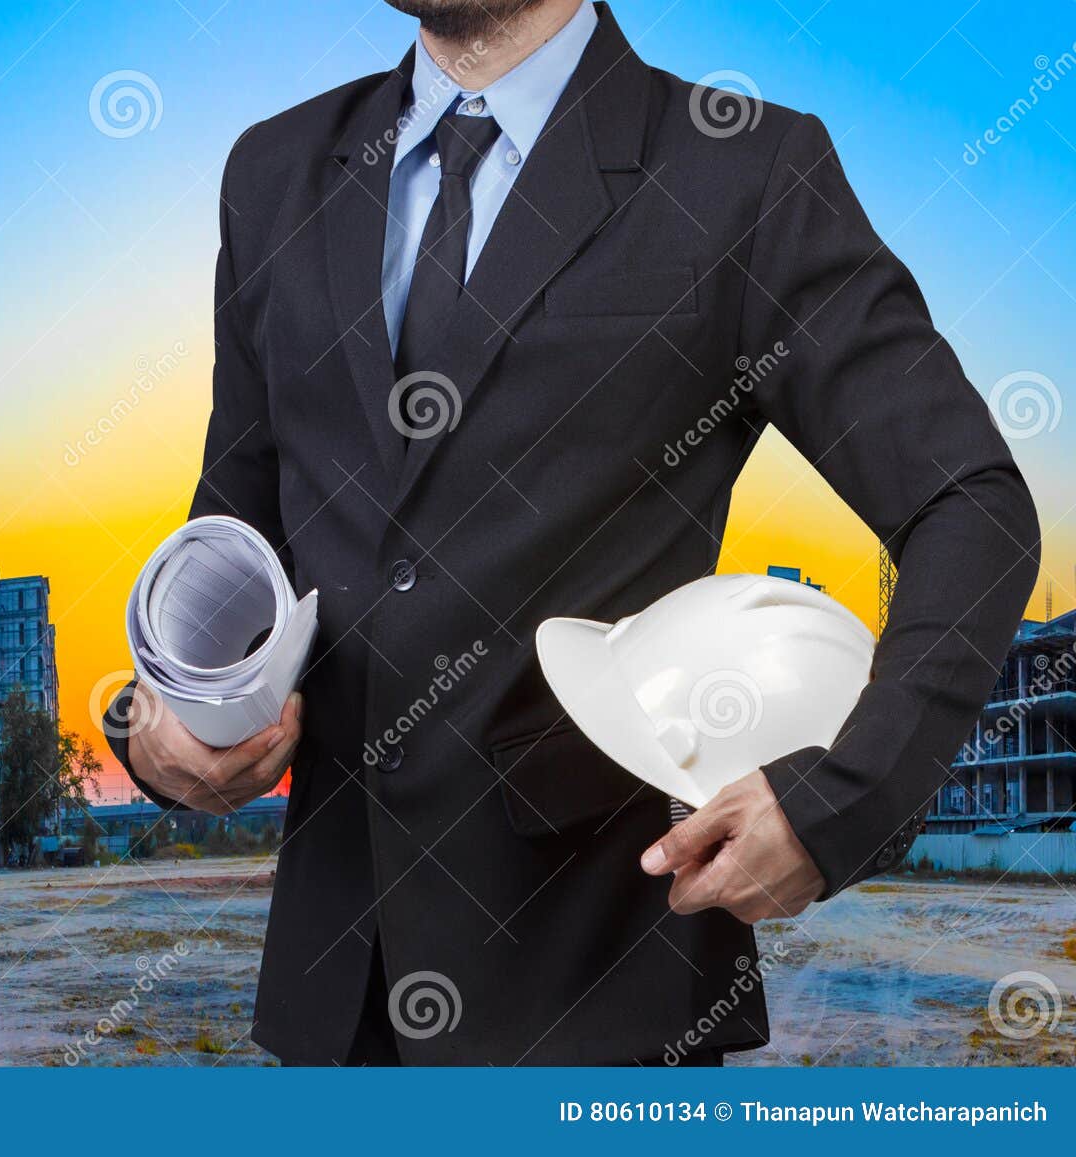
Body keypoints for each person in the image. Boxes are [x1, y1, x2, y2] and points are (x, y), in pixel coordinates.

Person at [106, 0, 1040, 1065]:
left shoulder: (740, 168)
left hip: (602, 980)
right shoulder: (273, 170)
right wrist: (160, 718)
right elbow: (230, 529)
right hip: (334, 992)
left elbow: (969, 501)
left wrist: (840, 802)